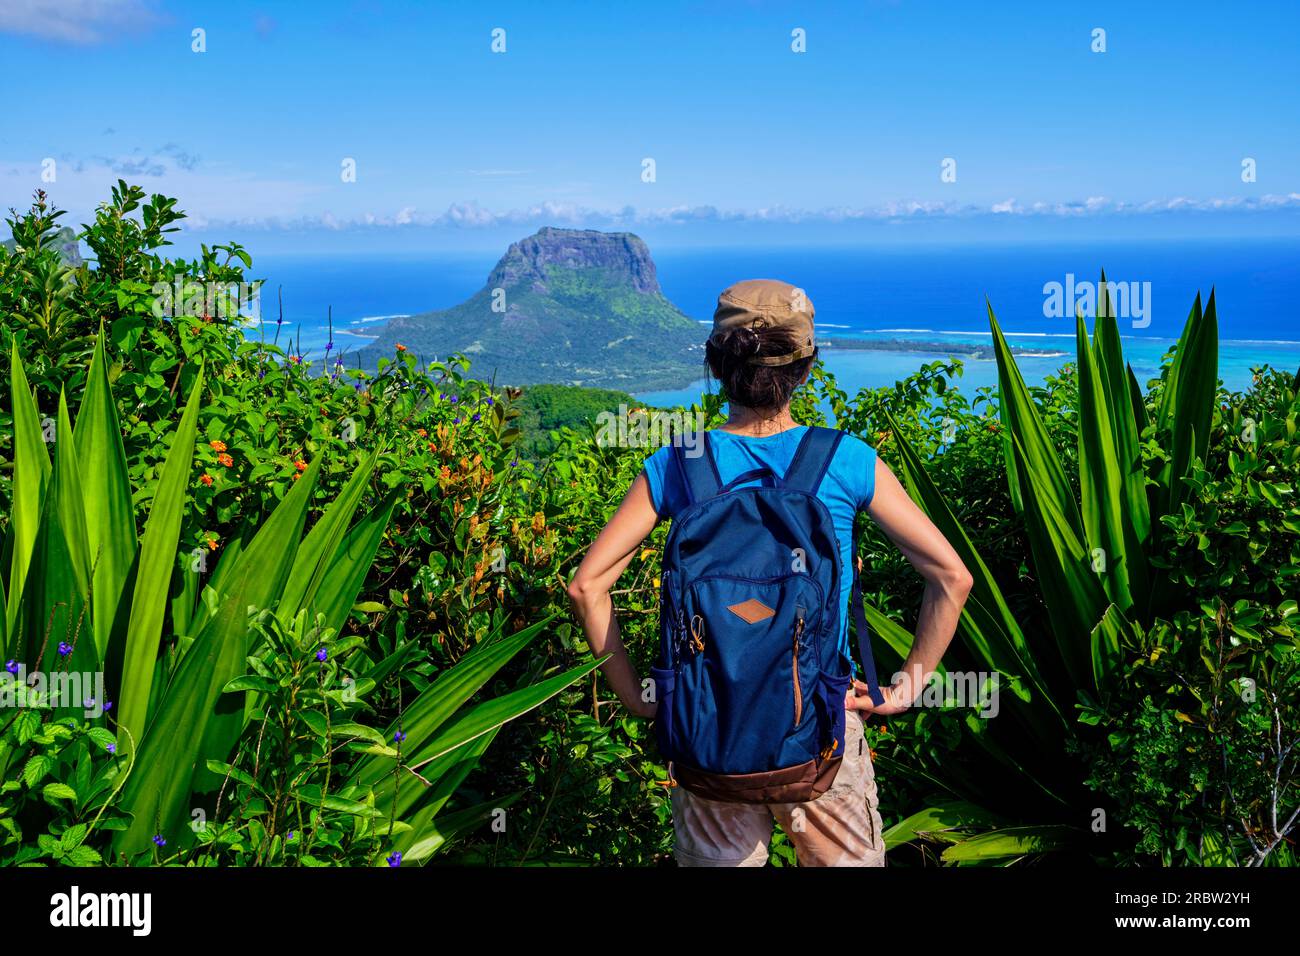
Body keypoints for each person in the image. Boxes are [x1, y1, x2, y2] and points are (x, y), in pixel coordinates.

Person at [566, 279, 972, 866]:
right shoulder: (844, 460)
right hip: (821, 733)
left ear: (715, 362)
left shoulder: (679, 463)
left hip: (710, 739)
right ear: (805, 366)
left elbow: (587, 586)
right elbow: (951, 576)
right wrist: (905, 687)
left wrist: (637, 696)